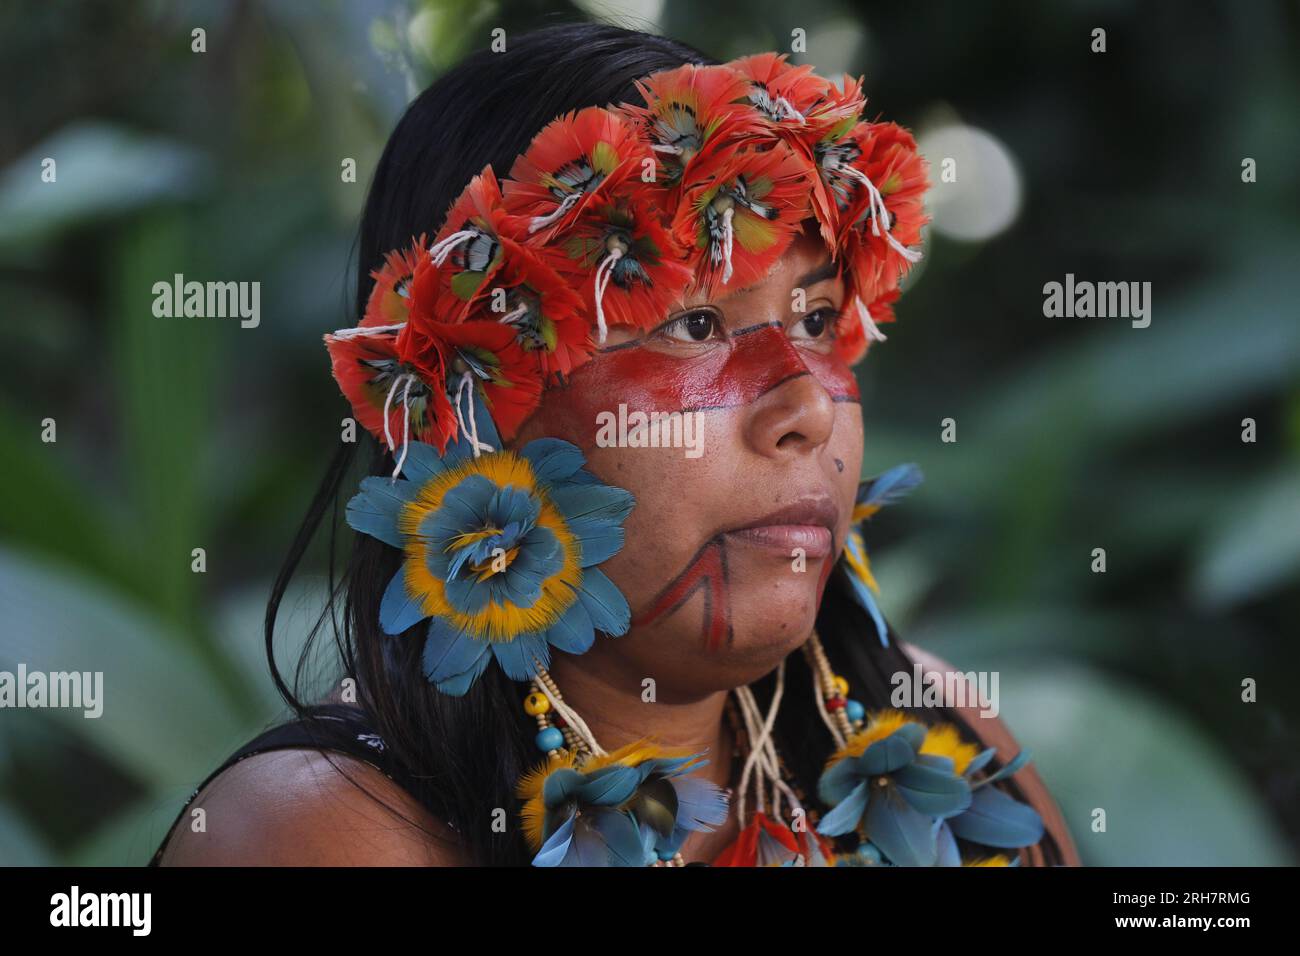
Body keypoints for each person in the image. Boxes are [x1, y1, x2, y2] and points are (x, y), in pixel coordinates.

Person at [153, 21, 1079, 868]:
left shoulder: (942, 728)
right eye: (696, 324)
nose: (807, 406)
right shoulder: (321, 837)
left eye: (819, 316)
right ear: (474, 405)